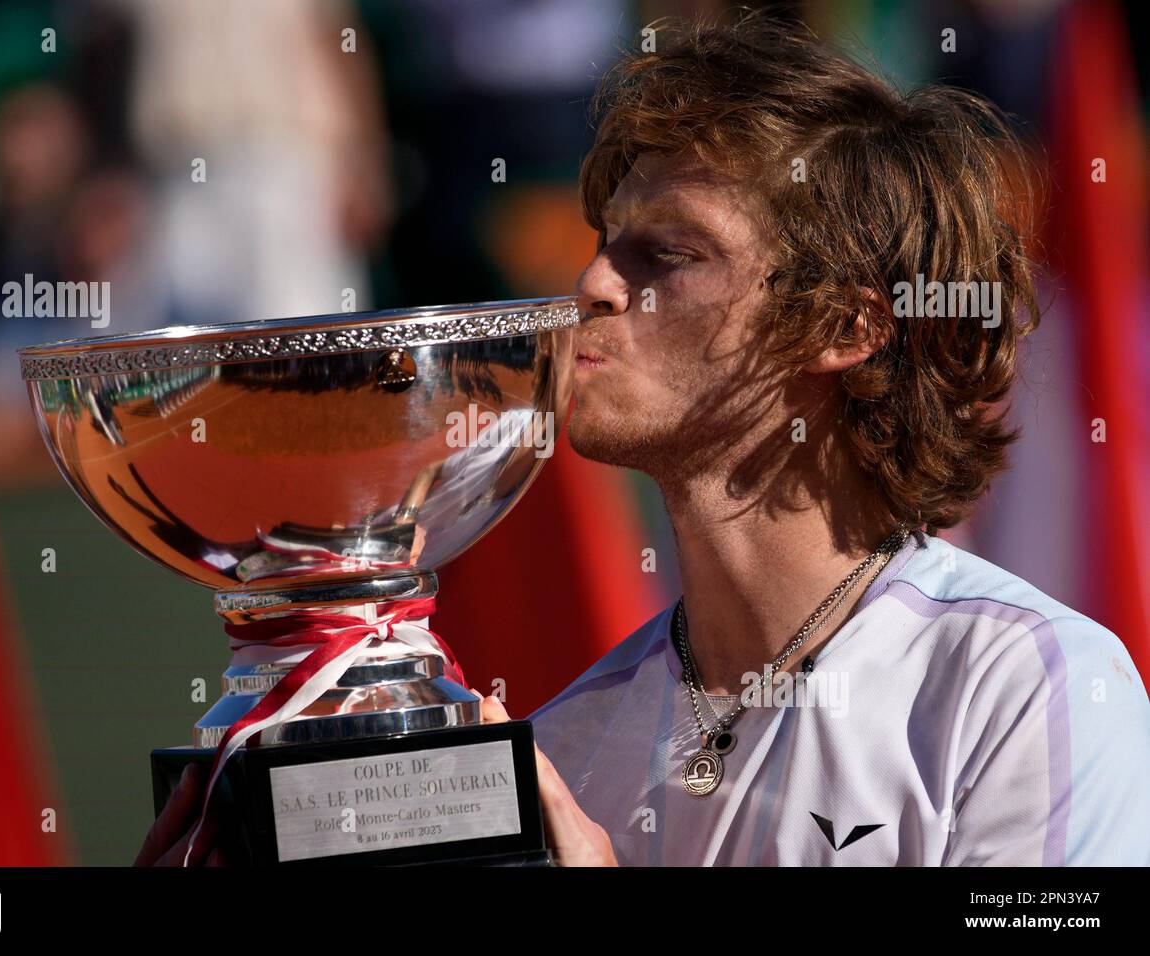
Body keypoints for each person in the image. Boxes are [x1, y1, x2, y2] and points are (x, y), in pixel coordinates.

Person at [138, 12, 1150, 866]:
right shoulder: (568, 746)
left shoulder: (1031, 684)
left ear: (847, 327)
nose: (591, 287)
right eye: (601, 240)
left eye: (667, 253)